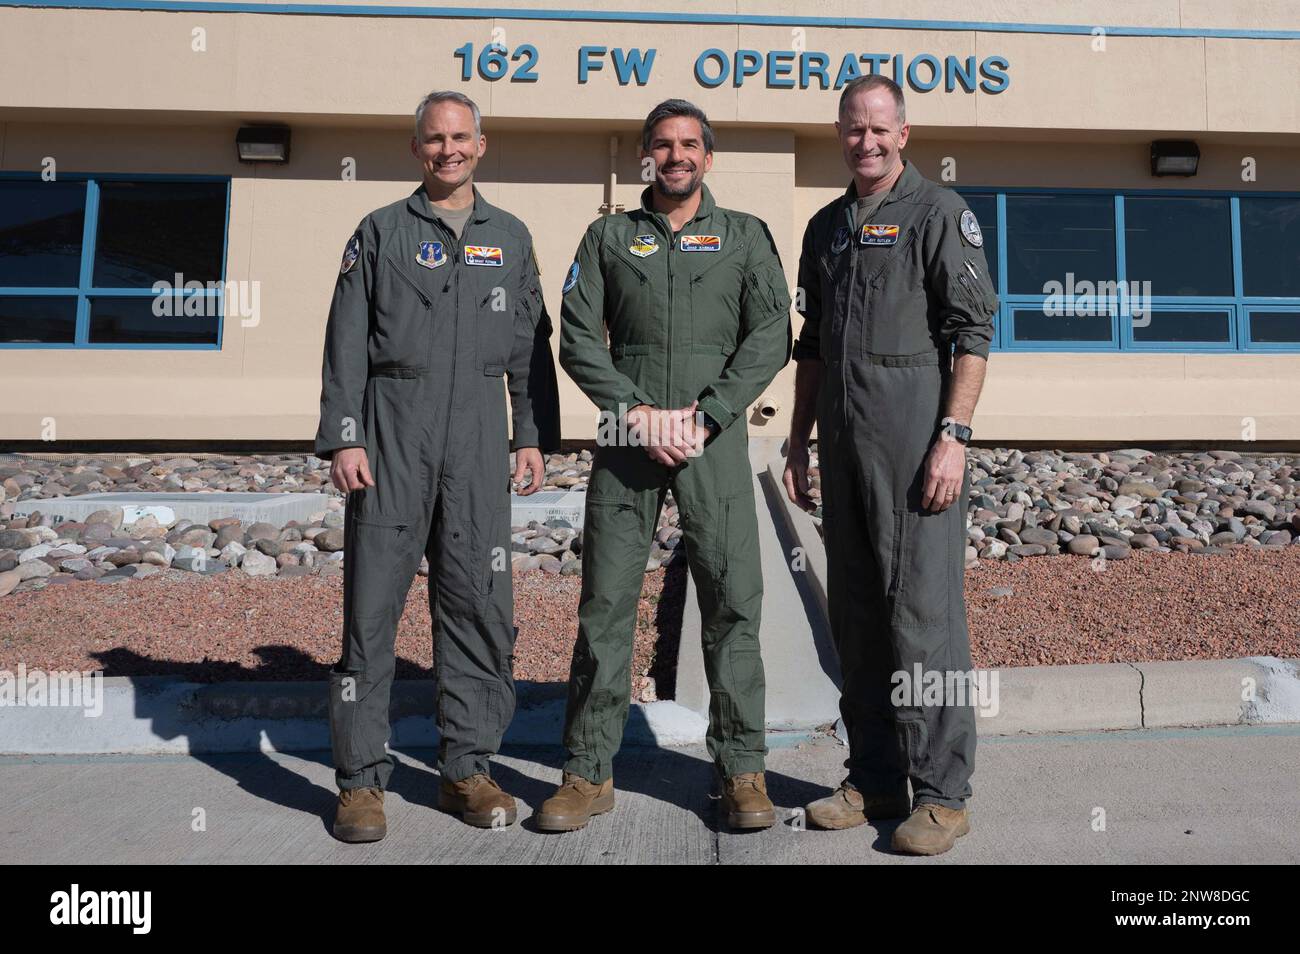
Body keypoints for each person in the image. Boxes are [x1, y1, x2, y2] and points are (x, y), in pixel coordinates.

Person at [536, 99, 792, 832]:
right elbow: (578, 339)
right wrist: (636, 412)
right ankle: (587, 773)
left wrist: (709, 413)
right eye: (662, 146)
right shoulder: (608, 236)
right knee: (606, 605)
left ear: (708, 157)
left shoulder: (744, 236)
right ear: (645, 158)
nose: (676, 156)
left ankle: (742, 771)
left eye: (689, 145)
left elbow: (770, 334)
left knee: (733, 600)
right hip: (626, 436)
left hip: (713, 437)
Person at [315, 90, 560, 841]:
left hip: (480, 439)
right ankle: (360, 782)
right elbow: (347, 337)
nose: (447, 150)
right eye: (433, 139)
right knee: (371, 614)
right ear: (416, 148)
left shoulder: (510, 237)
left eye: (460, 137)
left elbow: (529, 345)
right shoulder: (382, 231)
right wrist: (345, 435)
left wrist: (531, 437)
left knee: (481, 608)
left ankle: (466, 768)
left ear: (482, 145)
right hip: (393, 432)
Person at [783, 75, 997, 856]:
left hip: (914, 446)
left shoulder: (939, 213)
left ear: (903, 134)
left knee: (923, 618)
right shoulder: (827, 226)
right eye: (852, 129)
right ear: (839, 134)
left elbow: (972, 333)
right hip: (842, 446)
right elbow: (810, 349)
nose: (865, 142)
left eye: (879, 129)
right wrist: (799, 439)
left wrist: (953, 437)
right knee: (860, 618)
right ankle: (874, 778)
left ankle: (942, 793)